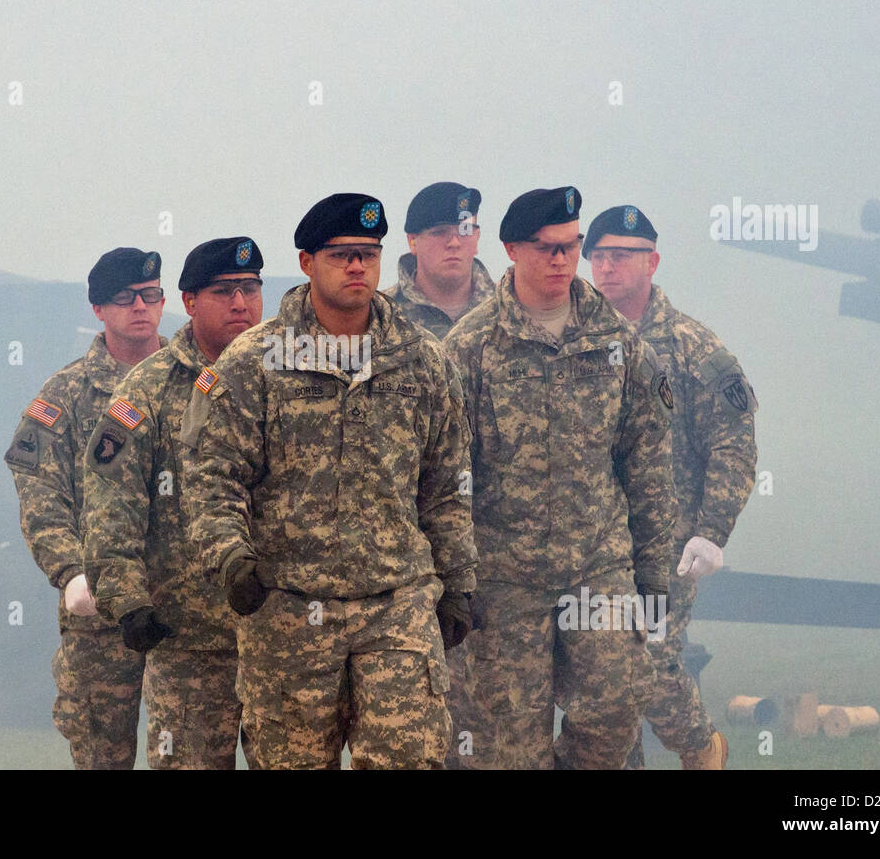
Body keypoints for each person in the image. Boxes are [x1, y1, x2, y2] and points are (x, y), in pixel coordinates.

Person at [181, 192, 479, 769]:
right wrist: (231, 559)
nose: (357, 267)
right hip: (289, 607)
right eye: (341, 254)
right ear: (307, 262)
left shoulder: (421, 360)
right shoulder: (253, 362)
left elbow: (445, 485)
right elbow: (213, 478)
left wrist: (459, 580)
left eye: (368, 254)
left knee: (410, 761)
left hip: (397, 604)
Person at [443, 186, 676, 769]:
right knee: (510, 747)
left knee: (619, 703)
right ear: (511, 251)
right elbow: (442, 478)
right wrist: (452, 579)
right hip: (503, 582)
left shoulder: (619, 344)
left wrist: (652, 578)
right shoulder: (468, 350)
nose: (561, 261)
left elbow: (646, 465)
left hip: (597, 566)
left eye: (571, 247)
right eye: (546, 249)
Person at [81, 236, 265, 769]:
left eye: (250, 289)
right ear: (189, 301)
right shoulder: (147, 392)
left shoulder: (289, 379)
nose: (240, 303)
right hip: (188, 639)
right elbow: (112, 504)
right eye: (223, 291)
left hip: (281, 631)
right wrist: (128, 601)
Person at [585, 204, 758, 770]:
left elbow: (733, 445)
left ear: (652, 263)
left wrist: (711, 534)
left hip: (668, 547)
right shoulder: (572, 340)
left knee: (651, 663)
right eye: (599, 256)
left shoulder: (693, 348)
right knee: (600, 677)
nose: (607, 268)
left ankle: (701, 747)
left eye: (623, 257)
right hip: (585, 544)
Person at [4, 247, 166, 769]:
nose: (141, 308)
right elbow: (40, 493)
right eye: (125, 299)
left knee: (191, 755)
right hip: (100, 613)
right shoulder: (66, 394)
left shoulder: (197, 382)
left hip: (186, 608)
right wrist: (72, 573)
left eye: (151, 296)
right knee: (102, 754)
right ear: (98, 309)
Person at [386, 181, 495, 338]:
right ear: (413, 242)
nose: (454, 243)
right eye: (440, 232)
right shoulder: (380, 314)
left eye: (465, 231)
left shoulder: (510, 309)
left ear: (477, 238)